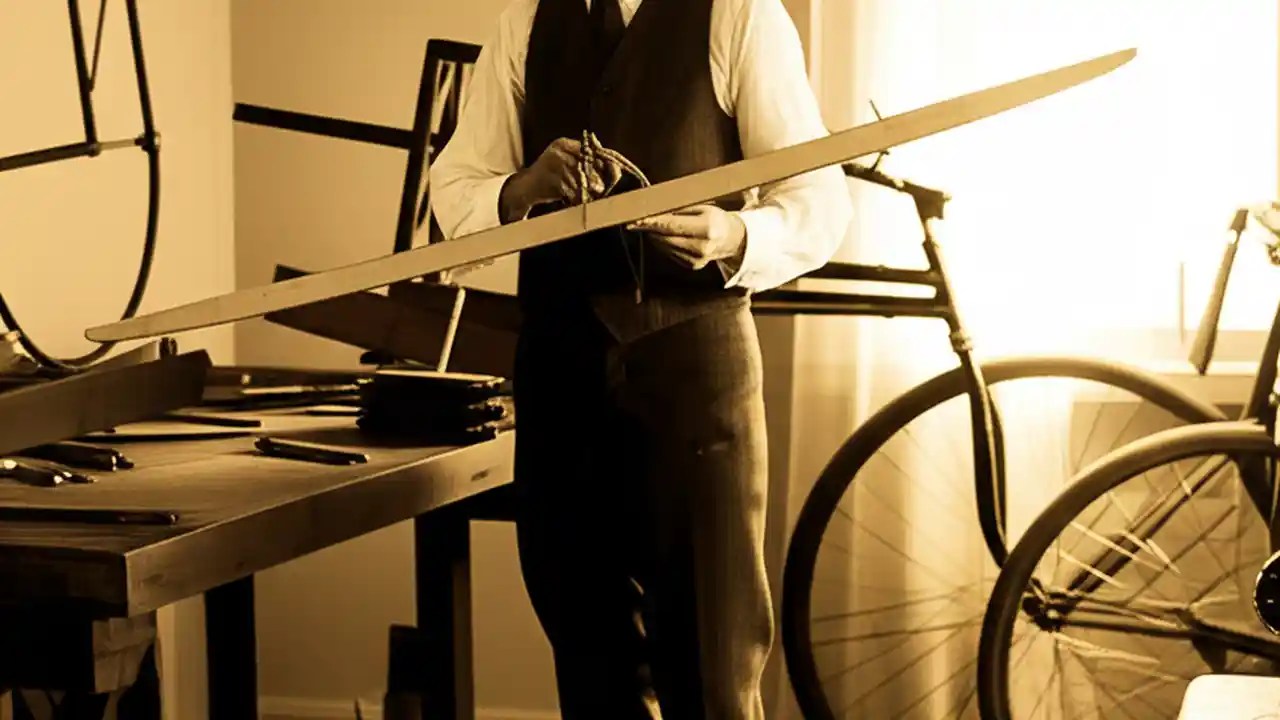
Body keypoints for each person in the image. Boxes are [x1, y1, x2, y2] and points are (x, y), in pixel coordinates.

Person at [429, 0, 853, 716]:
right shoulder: (526, 22)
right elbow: (457, 186)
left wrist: (733, 235)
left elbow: (817, 199)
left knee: (713, 666)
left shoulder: (738, 14)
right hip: (559, 370)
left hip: (696, 369)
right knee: (589, 660)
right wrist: (525, 188)